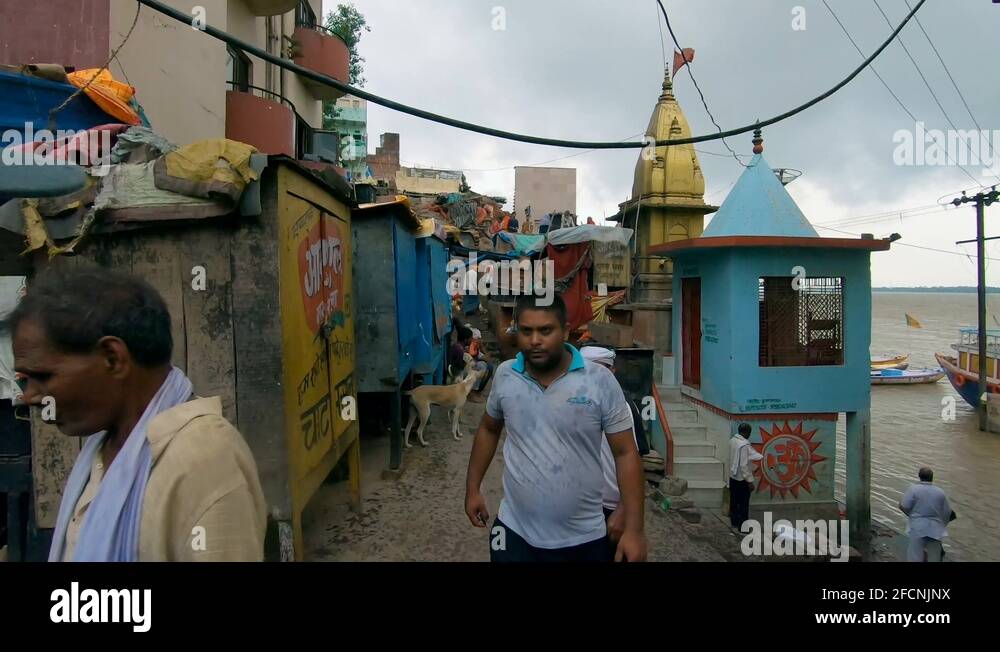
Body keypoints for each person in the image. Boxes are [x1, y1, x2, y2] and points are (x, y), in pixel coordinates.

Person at [6, 266, 266, 562]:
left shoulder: (203, 457)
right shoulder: (107, 450)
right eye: (24, 380)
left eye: (42, 376)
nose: (29, 397)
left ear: (113, 358)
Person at [464, 293, 647, 562]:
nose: (535, 340)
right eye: (526, 331)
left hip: (583, 539)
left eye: (545, 330)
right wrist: (472, 490)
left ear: (565, 331)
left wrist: (635, 528)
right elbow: (489, 430)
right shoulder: (505, 376)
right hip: (514, 533)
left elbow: (626, 453)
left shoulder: (599, 381)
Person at [579, 345, 647, 545]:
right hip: (579, 505)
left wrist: (623, 509)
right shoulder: (573, 402)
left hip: (610, 507)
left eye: (599, 370)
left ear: (612, 371)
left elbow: (636, 459)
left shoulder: (623, 406)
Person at [899, 467, 955, 562]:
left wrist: (910, 515)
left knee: (915, 555)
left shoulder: (913, 489)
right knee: (934, 557)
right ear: (932, 478)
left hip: (918, 527)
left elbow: (903, 506)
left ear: (919, 477)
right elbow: (947, 513)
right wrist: (942, 525)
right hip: (935, 529)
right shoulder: (940, 492)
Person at [729, 422, 762, 530]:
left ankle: (734, 522)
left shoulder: (733, 441)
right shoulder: (743, 445)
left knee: (734, 501)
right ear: (747, 432)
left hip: (732, 476)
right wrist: (750, 481)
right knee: (743, 504)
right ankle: (743, 527)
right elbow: (744, 465)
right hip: (741, 479)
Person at [464, 326, 493, 402]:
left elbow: (488, 359)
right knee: (481, 366)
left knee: (489, 366)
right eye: (477, 339)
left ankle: (477, 391)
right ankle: (471, 393)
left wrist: (482, 348)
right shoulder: (467, 347)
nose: (479, 340)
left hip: (470, 371)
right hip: (464, 373)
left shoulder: (476, 348)